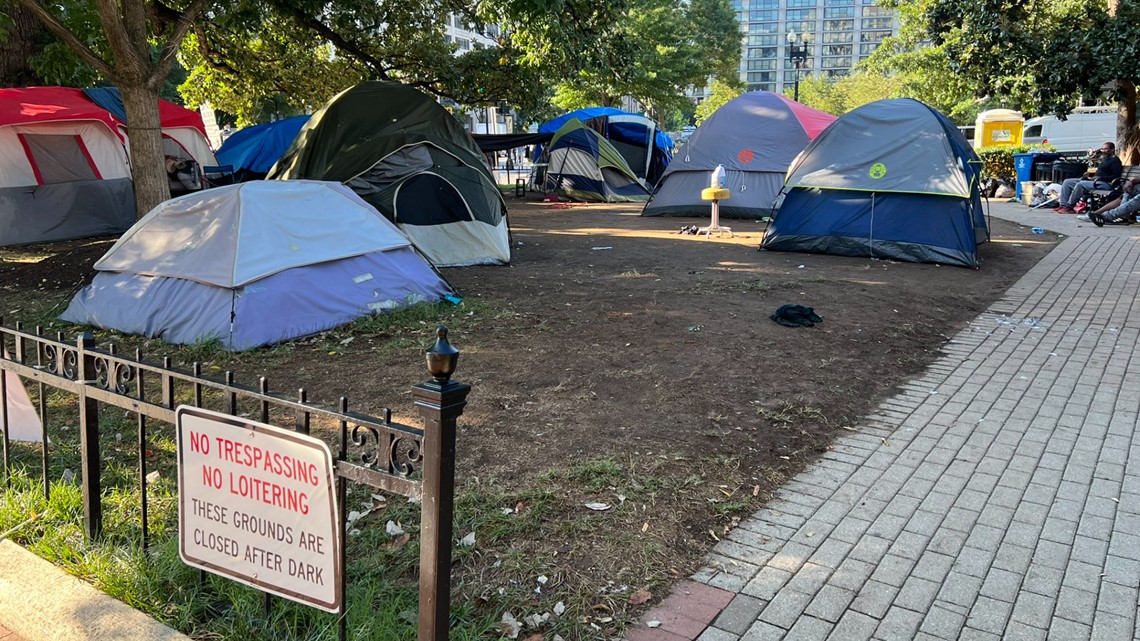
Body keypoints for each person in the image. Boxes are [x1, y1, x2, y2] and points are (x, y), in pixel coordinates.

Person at [1054, 142, 1123, 213]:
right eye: (1103, 149)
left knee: (1081, 184)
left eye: (1106, 149)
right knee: (1067, 182)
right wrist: (1090, 176)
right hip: (1095, 181)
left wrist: (1100, 178)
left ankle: (1070, 205)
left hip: (1106, 183)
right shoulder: (1105, 159)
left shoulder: (1115, 161)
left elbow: (1116, 176)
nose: (1103, 151)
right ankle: (1063, 205)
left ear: (1112, 149)